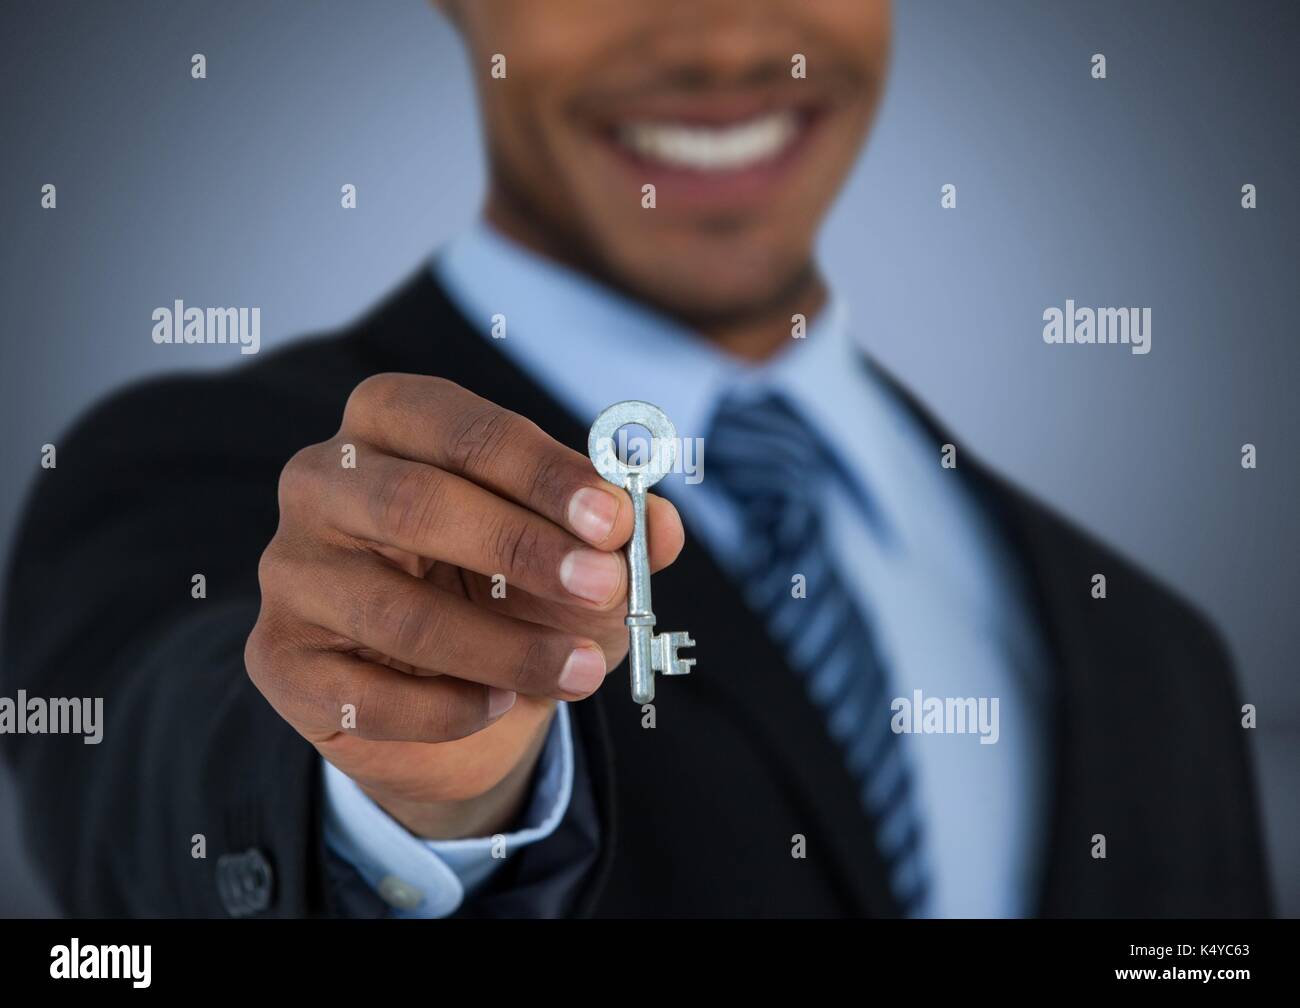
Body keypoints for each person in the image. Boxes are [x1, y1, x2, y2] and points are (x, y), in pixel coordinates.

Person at [1, 0, 1269, 918]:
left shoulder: (1156, 652)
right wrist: (400, 802)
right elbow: (147, 817)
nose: (721, 39)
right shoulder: (179, 474)